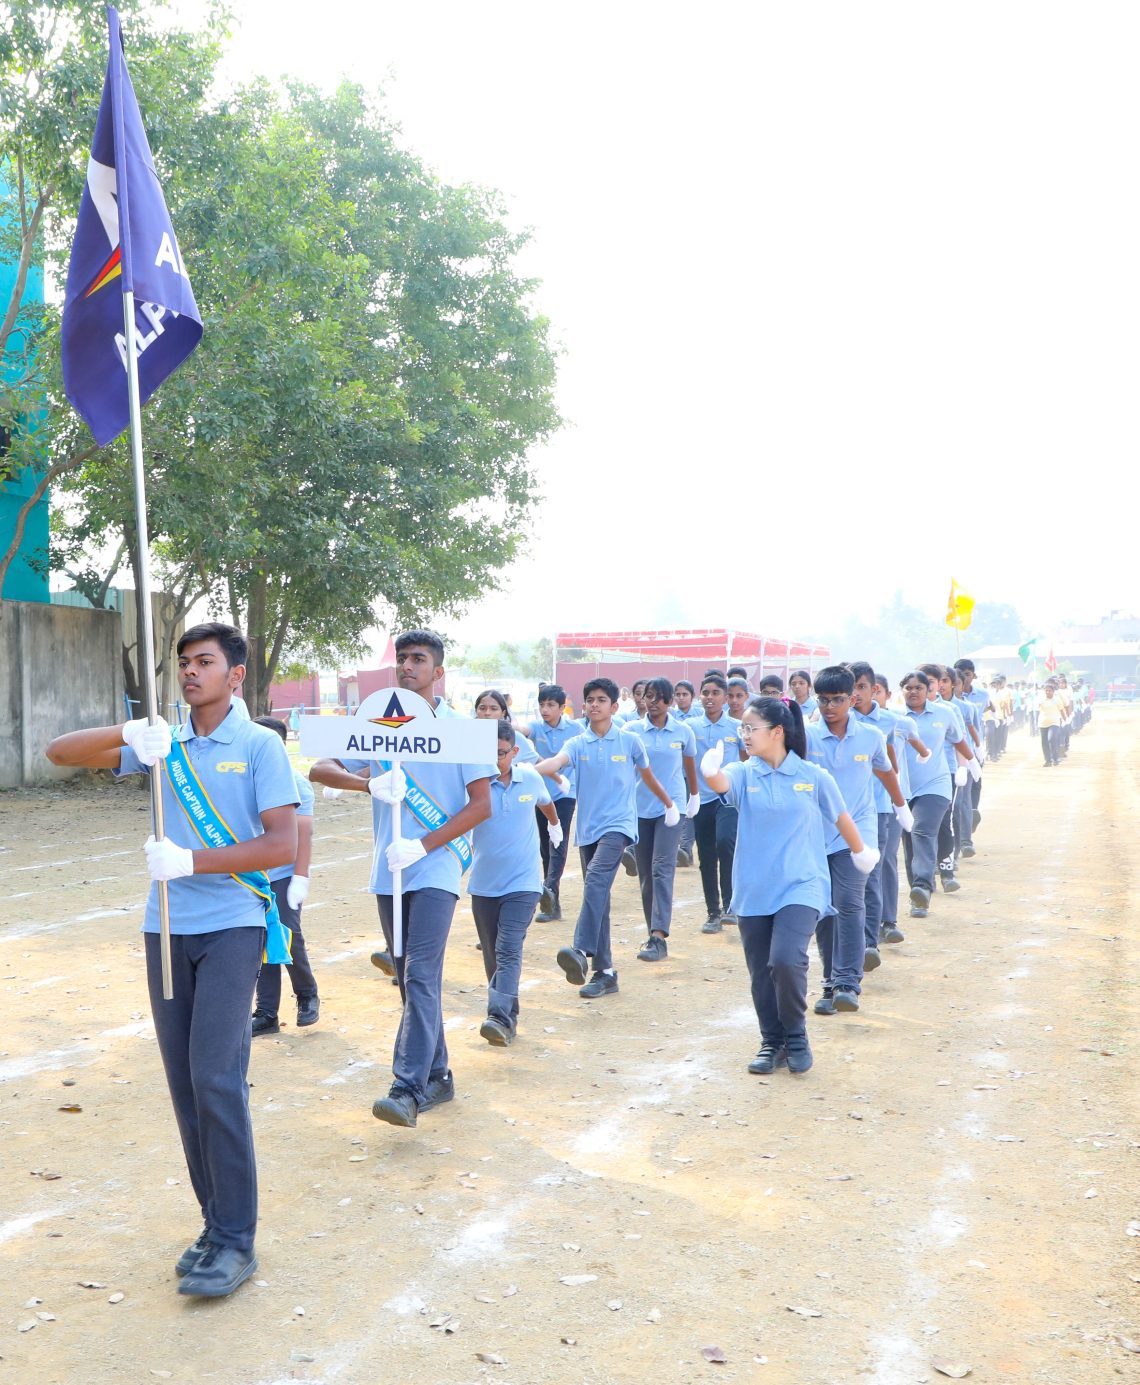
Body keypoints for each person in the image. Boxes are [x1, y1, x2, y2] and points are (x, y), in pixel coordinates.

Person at [46, 622, 299, 1299]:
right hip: (164, 929)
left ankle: (238, 1239)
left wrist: (193, 860)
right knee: (186, 1088)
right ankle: (214, 1224)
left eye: (205, 661)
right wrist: (129, 736)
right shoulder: (166, 743)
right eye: (184, 662)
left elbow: (280, 842)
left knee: (217, 1077)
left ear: (235, 674)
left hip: (232, 925)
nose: (190, 671)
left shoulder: (259, 744)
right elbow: (58, 751)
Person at [309, 630, 495, 1129]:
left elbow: (482, 804)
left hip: (435, 865)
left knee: (419, 972)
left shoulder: (462, 731)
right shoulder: (375, 722)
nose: (407, 667)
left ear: (439, 673)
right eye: (403, 659)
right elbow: (320, 767)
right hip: (388, 869)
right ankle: (439, 1075)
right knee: (406, 975)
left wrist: (425, 844)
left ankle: (406, 1089)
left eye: (419, 660)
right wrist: (366, 781)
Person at [701, 696, 878, 1077]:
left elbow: (842, 816)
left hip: (803, 884)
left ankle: (796, 1035)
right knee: (761, 972)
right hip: (753, 888)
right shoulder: (744, 773)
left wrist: (861, 851)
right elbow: (721, 782)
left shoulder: (813, 776)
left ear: (777, 732)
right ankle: (772, 1041)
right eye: (742, 729)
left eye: (752, 728)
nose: (745, 735)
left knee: (786, 959)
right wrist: (708, 770)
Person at [534, 676, 678, 999]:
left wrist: (670, 804)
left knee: (596, 882)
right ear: (583, 706)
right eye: (590, 700)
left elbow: (648, 777)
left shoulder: (629, 742)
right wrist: (526, 771)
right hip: (588, 830)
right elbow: (555, 763)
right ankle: (605, 972)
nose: (594, 705)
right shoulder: (577, 744)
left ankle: (580, 947)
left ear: (614, 706)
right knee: (598, 897)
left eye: (601, 700)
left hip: (620, 826)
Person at [805, 666, 905, 1014]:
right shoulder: (805, 736)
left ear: (853, 698)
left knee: (848, 900)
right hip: (817, 832)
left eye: (838, 699)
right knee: (824, 909)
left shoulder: (870, 736)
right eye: (824, 700)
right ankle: (830, 982)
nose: (830, 706)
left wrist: (900, 805)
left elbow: (885, 770)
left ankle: (848, 981)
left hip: (858, 833)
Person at [468, 721, 561, 1044]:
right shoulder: (473, 785)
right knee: (493, 954)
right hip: (483, 884)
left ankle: (498, 1016)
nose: (495, 761)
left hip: (523, 882)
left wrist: (554, 825)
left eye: (501, 754)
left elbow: (546, 801)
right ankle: (509, 1014)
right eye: (488, 754)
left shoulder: (530, 778)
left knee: (508, 949)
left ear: (515, 751)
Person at [621, 677, 699, 962]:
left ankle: (658, 936)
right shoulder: (631, 731)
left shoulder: (683, 731)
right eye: (646, 696)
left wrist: (694, 796)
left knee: (661, 868)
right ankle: (652, 932)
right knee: (645, 874)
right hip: (640, 808)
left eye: (657, 698)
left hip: (672, 809)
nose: (650, 702)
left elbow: (690, 765)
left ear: (669, 702)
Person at [251, 716, 320, 1036]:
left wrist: (300, 877)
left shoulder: (296, 783)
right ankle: (266, 1013)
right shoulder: (245, 778)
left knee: (287, 932)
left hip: (282, 871)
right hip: (251, 872)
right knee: (258, 937)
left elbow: (303, 834)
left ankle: (306, 995)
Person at [899, 670, 978, 919]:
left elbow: (958, 740)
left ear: (928, 690)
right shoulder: (895, 717)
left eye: (918, 688)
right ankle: (918, 898)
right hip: (903, 788)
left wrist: (971, 763)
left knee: (922, 831)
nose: (913, 692)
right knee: (909, 839)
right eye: (908, 688)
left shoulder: (944, 714)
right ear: (902, 691)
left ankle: (922, 884)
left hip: (936, 784)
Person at [687, 673, 745, 933]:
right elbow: (685, 761)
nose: (709, 698)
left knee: (726, 842)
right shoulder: (690, 726)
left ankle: (731, 904)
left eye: (715, 693)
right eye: (705, 693)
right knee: (707, 855)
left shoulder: (736, 726)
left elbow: (746, 759)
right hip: (702, 798)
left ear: (724, 697)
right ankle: (713, 912)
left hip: (728, 799)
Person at [520, 684, 579, 922]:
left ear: (562, 708)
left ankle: (550, 888)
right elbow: (521, 729)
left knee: (559, 840)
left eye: (550, 705)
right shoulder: (536, 727)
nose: (545, 709)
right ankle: (552, 904)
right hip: (542, 794)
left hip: (565, 793)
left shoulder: (575, 729)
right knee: (545, 844)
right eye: (542, 705)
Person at [474, 689, 538, 763]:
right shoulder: (466, 737)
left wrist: (518, 773)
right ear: (476, 711)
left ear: (503, 713)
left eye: (494, 709)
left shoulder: (515, 737)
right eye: (482, 708)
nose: (487, 713)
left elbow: (538, 763)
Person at [1038, 679, 1063, 765]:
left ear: (1053, 691)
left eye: (1049, 691)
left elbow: (1062, 710)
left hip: (1054, 722)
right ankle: (1048, 760)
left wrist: (1064, 718)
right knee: (1044, 742)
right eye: (1046, 691)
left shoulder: (1057, 699)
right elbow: (1038, 708)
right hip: (1043, 723)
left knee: (1051, 739)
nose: (1048, 692)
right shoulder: (1041, 699)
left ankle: (1055, 758)